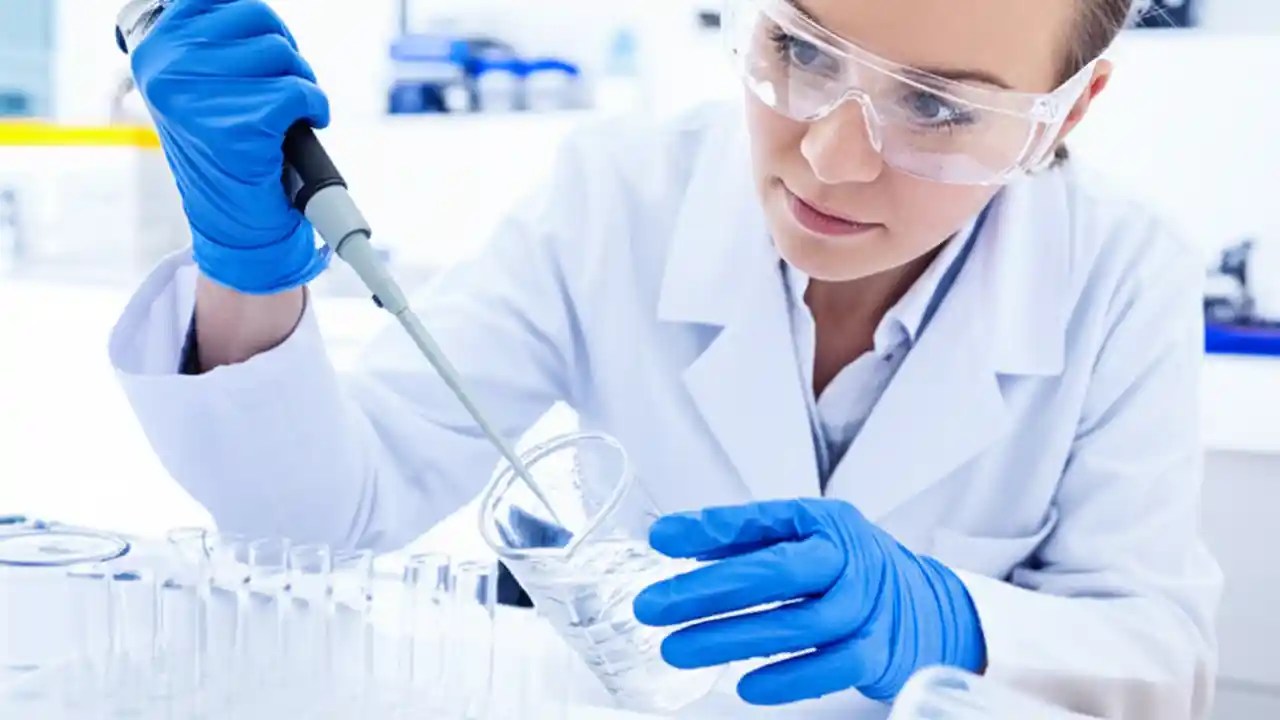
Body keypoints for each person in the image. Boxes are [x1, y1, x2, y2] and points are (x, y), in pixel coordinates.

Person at [109, 0, 1221, 716]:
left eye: (936, 107)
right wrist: (249, 270)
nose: (831, 158)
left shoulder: (1121, 276)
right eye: (800, 51)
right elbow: (322, 513)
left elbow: (1161, 662)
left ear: (1063, 115)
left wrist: (956, 621)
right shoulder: (617, 196)